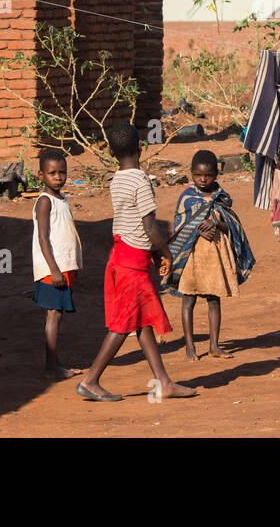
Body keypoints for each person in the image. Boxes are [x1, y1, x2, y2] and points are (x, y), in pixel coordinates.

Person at [76, 123, 197, 402]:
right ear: (140, 148)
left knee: (141, 323)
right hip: (132, 265)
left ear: (112, 153)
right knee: (123, 325)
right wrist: (165, 253)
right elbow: (149, 225)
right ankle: (91, 379)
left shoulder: (117, 179)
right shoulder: (141, 181)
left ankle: (164, 382)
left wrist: (152, 253)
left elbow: (131, 224)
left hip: (124, 256)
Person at [163, 149, 255, 361]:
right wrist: (197, 228)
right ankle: (190, 347)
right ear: (191, 174)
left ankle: (214, 345)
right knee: (189, 300)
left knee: (214, 300)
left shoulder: (222, 197)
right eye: (198, 175)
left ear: (216, 174)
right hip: (191, 256)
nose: (203, 180)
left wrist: (215, 223)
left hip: (214, 256)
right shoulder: (187, 197)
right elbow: (180, 228)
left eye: (208, 175)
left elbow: (230, 225)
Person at [31, 147, 82, 379]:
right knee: (53, 314)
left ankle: (54, 363)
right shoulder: (45, 202)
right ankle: (51, 367)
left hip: (63, 267)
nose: (59, 177)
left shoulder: (61, 198)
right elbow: (43, 237)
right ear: (41, 175)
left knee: (57, 313)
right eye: (52, 173)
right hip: (54, 269)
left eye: (62, 172)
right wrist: (54, 269)